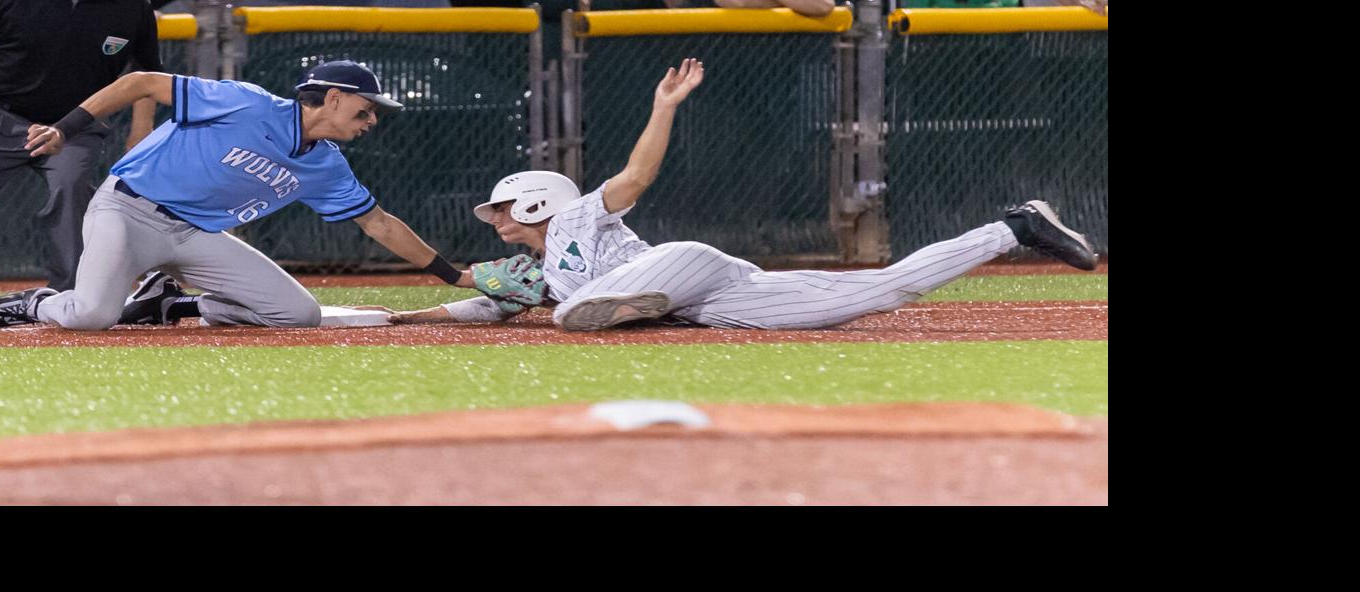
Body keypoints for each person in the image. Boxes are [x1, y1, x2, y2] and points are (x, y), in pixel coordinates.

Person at [377, 58, 1096, 332]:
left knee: (569, 315)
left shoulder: (575, 215)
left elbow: (636, 178)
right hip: (711, 301)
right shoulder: (533, 275)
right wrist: (398, 320)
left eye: (500, 208)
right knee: (876, 293)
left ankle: (630, 308)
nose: (494, 220)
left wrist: (663, 108)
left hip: (684, 265)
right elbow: (479, 298)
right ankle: (1014, 227)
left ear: (535, 200)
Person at [0, 60, 483, 329]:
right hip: (127, 210)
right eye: (365, 109)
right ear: (334, 96)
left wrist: (453, 275)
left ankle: (173, 301)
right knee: (92, 316)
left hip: (194, 236)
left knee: (298, 316)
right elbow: (139, 82)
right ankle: (36, 302)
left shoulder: (326, 165)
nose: (371, 121)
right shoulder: (247, 103)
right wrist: (67, 127)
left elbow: (380, 225)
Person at [0, 0, 161, 291]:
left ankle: (75, 295)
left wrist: (143, 127)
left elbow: (146, 74)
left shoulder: (132, 7)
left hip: (73, 126)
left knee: (72, 189)